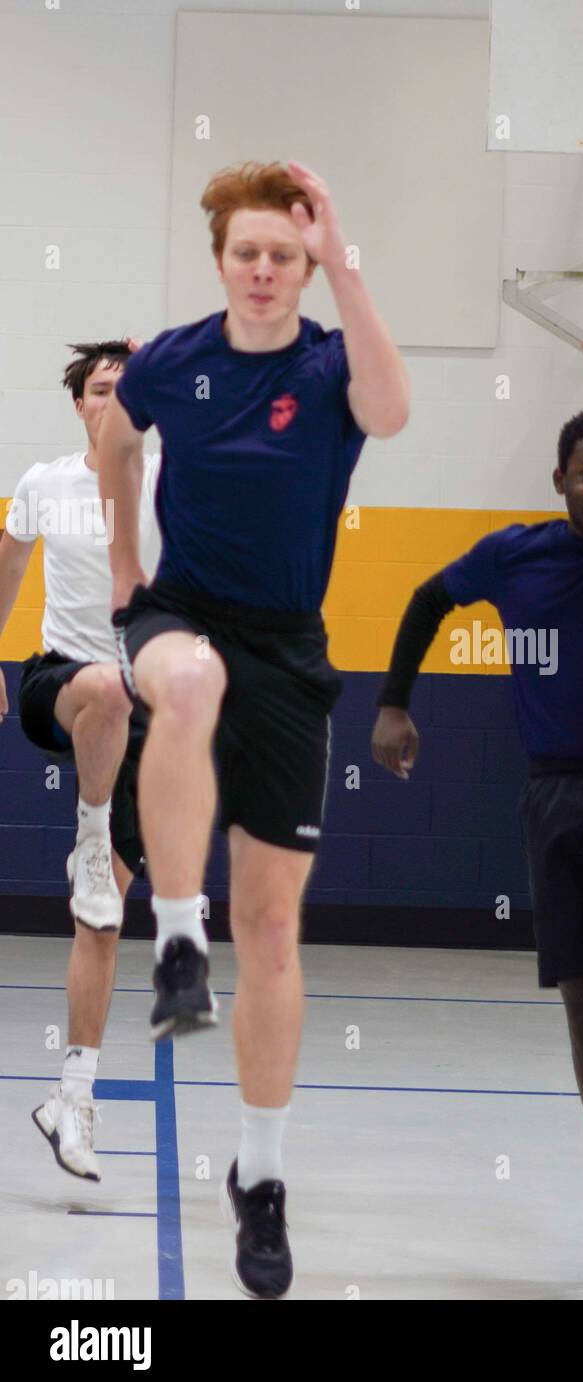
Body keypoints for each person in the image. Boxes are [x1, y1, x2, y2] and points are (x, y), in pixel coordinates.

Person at [95, 160, 409, 1298]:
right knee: (181, 688)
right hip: (186, 614)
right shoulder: (175, 362)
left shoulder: (332, 364)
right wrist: (129, 563)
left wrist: (349, 265)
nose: (267, 271)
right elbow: (114, 442)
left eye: (286, 253)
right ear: (219, 259)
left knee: (273, 931)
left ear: (306, 258)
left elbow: (393, 411)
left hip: (290, 643)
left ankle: (260, 1178)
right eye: (248, 253)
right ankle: (179, 938)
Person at [372, 408, 583, 1296]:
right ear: (559, 481)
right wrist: (394, 702)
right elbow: (427, 599)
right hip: (552, 796)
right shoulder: (513, 554)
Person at [0, 339, 159, 1181]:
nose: (113, 401)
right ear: (79, 405)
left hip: (141, 718)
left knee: (100, 920)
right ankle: (90, 832)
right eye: (100, 389)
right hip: (59, 686)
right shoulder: (45, 483)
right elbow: (11, 560)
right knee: (105, 684)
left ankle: (73, 1097)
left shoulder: (175, 481)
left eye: (129, 389)